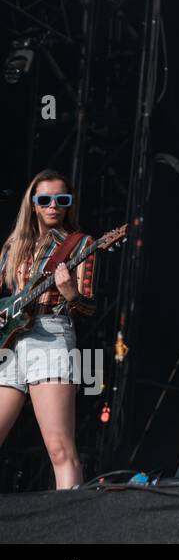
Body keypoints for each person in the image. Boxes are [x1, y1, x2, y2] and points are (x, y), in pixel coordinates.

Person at [0, 169, 96, 489]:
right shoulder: (13, 246)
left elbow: (88, 308)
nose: (53, 205)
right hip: (10, 344)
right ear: (33, 204)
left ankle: (70, 527)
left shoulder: (80, 244)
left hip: (51, 335)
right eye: (45, 199)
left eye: (61, 199)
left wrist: (71, 294)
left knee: (59, 449)